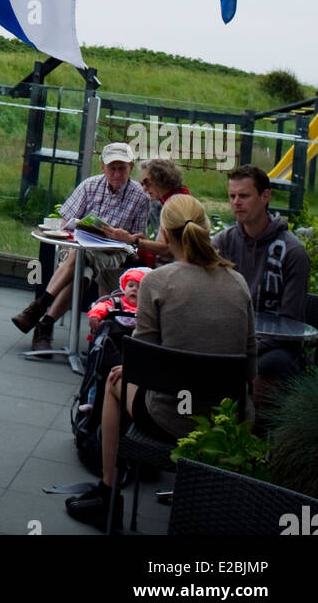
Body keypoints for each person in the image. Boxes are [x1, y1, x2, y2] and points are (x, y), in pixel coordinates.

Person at [66, 194, 256, 531]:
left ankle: (108, 495)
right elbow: (250, 358)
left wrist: (134, 371)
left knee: (113, 380)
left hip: (172, 418)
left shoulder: (158, 281)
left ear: (164, 236)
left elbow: (141, 362)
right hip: (229, 420)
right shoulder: (237, 282)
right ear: (205, 229)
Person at [12, 142, 149, 354]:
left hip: (114, 253)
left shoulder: (140, 196)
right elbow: (66, 218)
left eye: (122, 168)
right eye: (112, 168)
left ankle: (39, 309)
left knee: (79, 257)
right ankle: (45, 323)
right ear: (102, 167)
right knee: (81, 270)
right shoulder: (90, 185)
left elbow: (138, 238)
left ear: (131, 167)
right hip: (82, 247)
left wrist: (126, 236)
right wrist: (83, 225)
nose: (116, 173)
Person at [212, 165, 309, 396]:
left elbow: (290, 325)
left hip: (273, 348)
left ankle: (249, 429)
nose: (236, 202)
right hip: (228, 337)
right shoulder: (222, 243)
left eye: (244, 196)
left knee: (271, 364)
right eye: (232, 196)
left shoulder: (293, 252)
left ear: (265, 197)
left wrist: (245, 347)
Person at [133, 158, 190, 266]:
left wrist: (133, 240)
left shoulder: (175, 205)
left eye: (147, 182)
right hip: (170, 266)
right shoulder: (174, 198)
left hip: (173, 270)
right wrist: (146, 243)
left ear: (161, 179)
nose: (144, 189)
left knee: (106, 276)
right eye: (142, 184)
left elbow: (167, 250)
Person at [86, 265, 151, 340]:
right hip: (114, 338)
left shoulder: (149, 308)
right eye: (130, 286)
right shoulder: (117, 302)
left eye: (139, 287)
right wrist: (95, 315)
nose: (134, 289)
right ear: (124, 288)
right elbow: (102, 306)